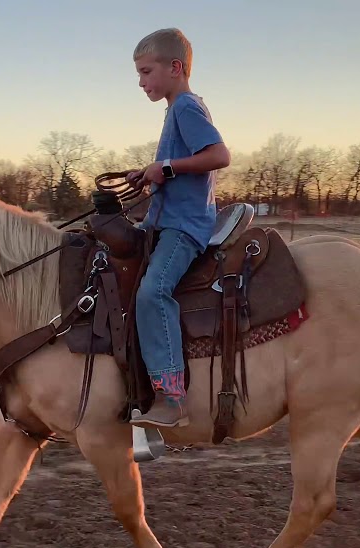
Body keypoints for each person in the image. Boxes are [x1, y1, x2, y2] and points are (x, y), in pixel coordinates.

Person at [127, 28, 231, 429]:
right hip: (165, 219)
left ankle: (172, 397)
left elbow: (219, 155)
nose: (141, 82)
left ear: (175, 67)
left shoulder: (186, 106)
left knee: (153, 292)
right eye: (138, 74)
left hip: (184, 227)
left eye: (146, 71)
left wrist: (167, 167)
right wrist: (153, 176)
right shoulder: (175, 108)